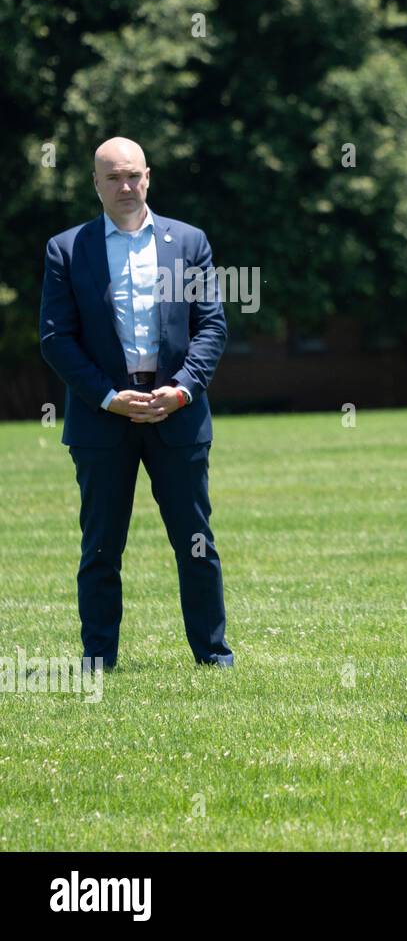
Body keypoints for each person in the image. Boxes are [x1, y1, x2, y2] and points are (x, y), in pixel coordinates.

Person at [38, 137, 232, 669]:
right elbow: (55, 338)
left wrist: (184, 388)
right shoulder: (67, 249)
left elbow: (211, 326)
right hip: (103, 418)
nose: (125, 186)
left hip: (178, 411)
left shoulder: (188, 242)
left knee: (196, 542)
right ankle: (99, 659)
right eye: (112, 178)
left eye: (133, 176)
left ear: (149, 177)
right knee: (100, 548)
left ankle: (213, 655)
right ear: (95, 185)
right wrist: (107, 396)